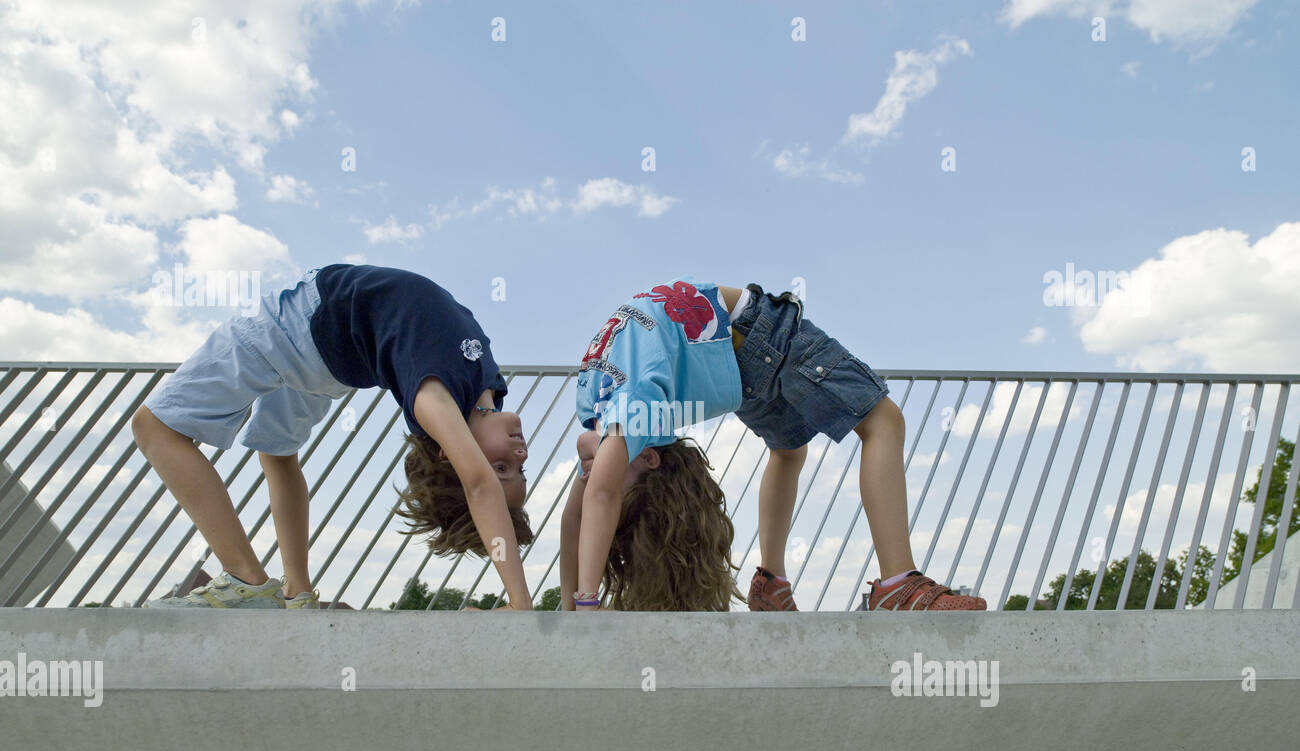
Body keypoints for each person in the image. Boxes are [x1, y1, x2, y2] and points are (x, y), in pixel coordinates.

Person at [559, 278, 987, 612]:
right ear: (649, 457)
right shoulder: (622, 418)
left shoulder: (606, 427)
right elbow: (595, 499)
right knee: (883, 421)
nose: (603, 474)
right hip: (755, 334)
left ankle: (771, 583)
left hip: (730, 357)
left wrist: (576, 605)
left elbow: (584, 508)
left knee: (788, 450)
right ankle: (899, 583)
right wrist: (582, 602)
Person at [132, 264, 533, 610]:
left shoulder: (436, 401)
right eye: (521, 468)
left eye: (502, 467)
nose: (519, 451)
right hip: (333, 359)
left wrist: (520, 604)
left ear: (451, 453)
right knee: (278, 453)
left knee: (153, 427)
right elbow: (482, 487)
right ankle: (298, 590)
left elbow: (479, 487)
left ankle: (244, 578)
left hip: (297, 327)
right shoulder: (489, 387)